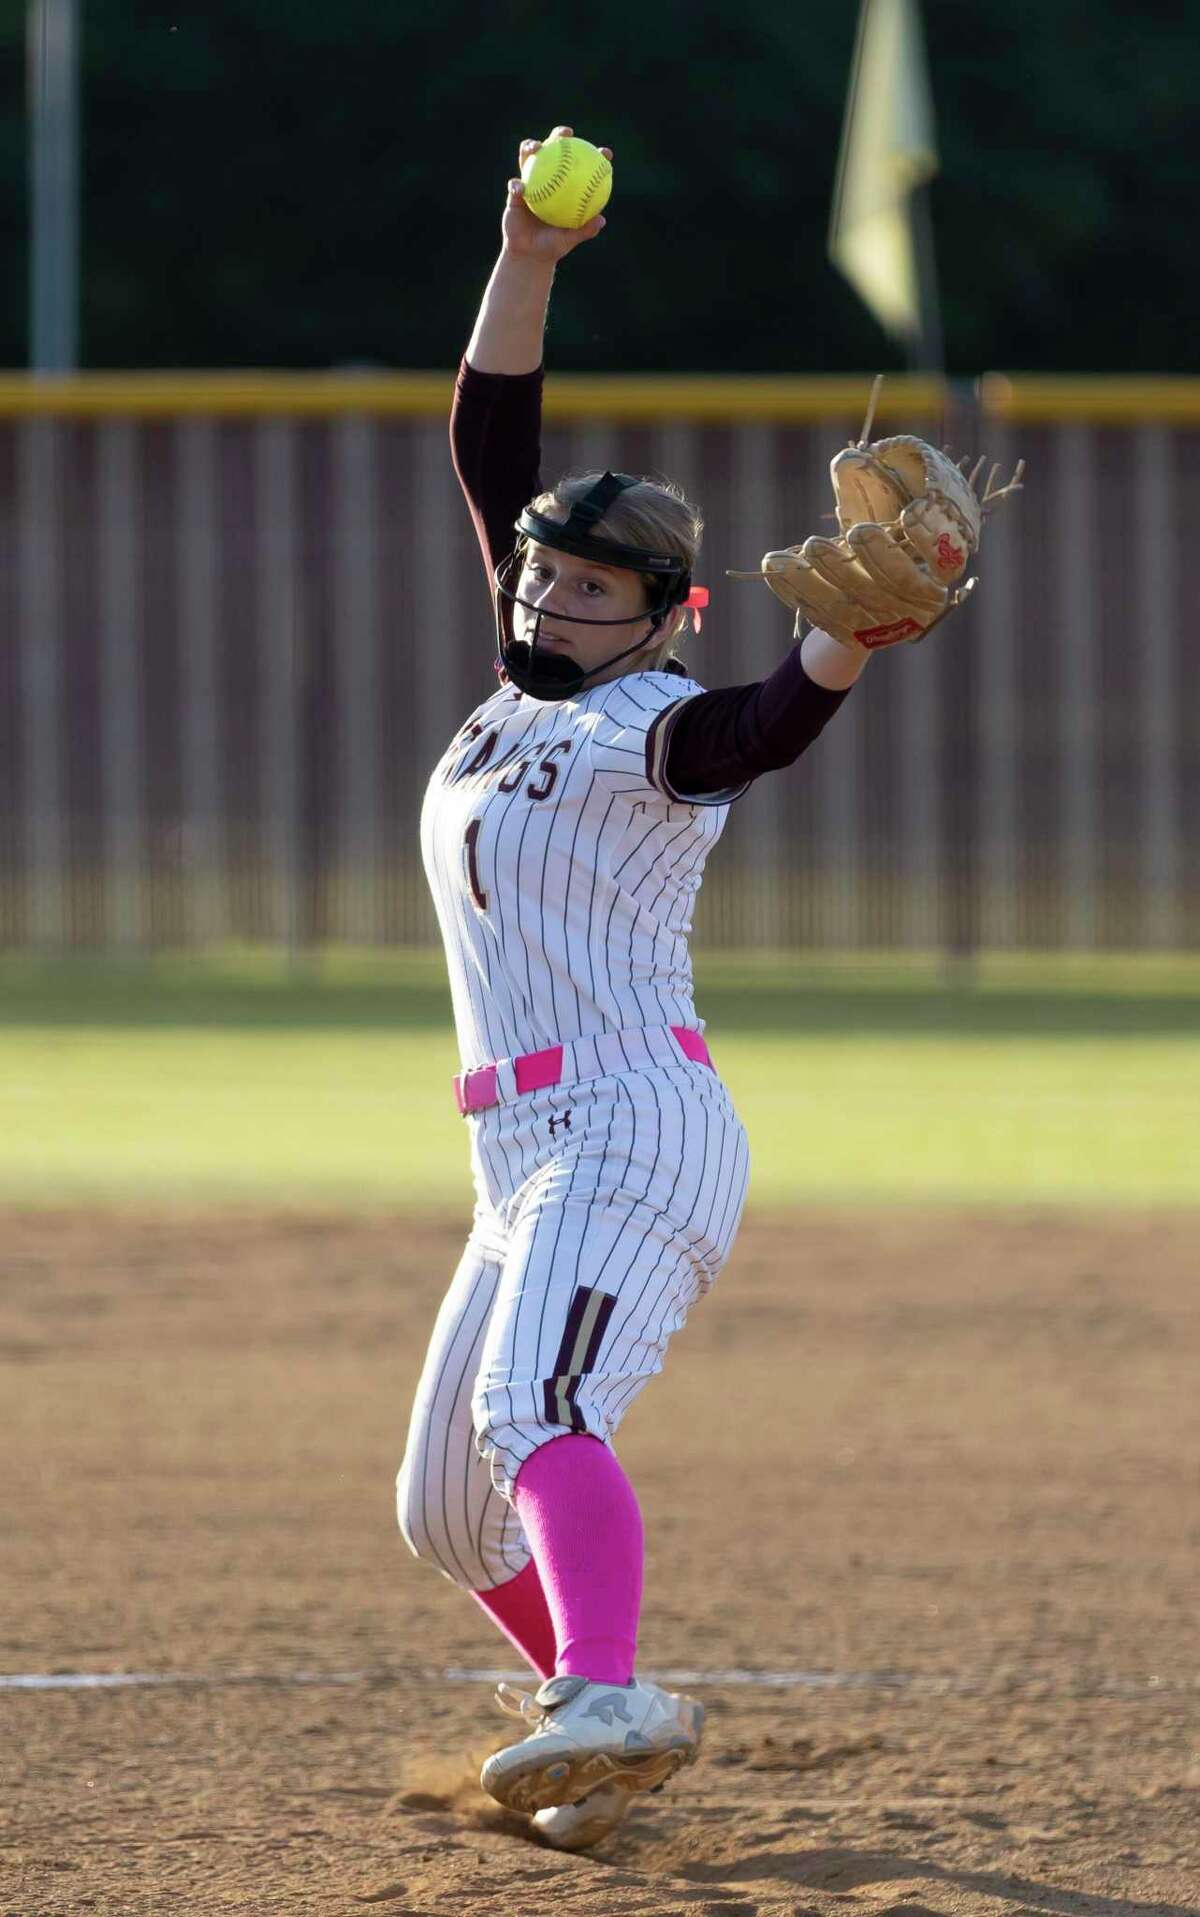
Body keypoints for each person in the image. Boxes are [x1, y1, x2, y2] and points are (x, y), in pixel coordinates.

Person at [396, 126, 868, 1853]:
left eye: (589, 586)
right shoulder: (523, 688)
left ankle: (605, 1688)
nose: (546, 593)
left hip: (630, 1126)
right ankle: (588, 1734)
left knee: (539, 1407)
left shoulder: (645, 729)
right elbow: (491, 440)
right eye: (539, 571)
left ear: (666, 614)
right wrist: (525, 255)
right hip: (515, 1158)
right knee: (446, 1512)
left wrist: (847, 638)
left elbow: (763, 725)